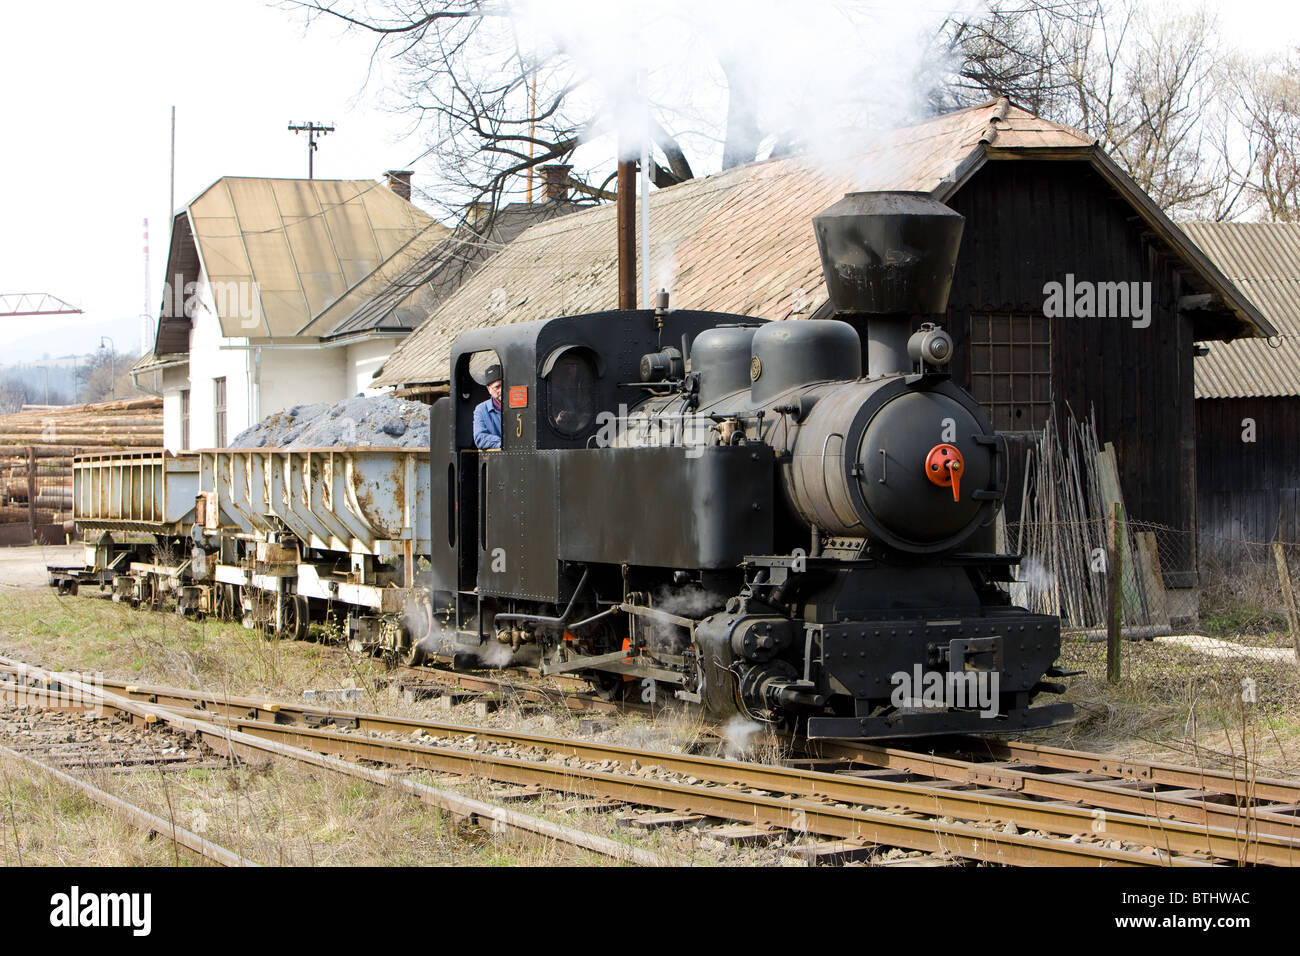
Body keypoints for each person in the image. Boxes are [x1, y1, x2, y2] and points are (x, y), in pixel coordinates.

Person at [473, 364, 503, 449]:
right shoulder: (481, 410)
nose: (501, 390)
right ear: (489, 389)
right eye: (497, 387)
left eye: (503, 385)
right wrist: (502, 443)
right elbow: (480, 438)